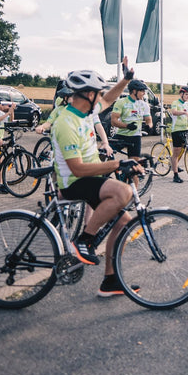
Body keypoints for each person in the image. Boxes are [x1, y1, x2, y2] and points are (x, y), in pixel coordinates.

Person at [50, 66, 142, 296]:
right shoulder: (66, 122)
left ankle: (110, 281)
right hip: (74, 181)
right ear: (89, 95)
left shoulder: (86, 113)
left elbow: (110, 99)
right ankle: (84, 240)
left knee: (123, 223)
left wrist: (126, 80)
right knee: (122, 192)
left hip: (90, 178)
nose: (101, 96)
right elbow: (77, 169)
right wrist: (117, 164)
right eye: (98, 92)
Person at [110, 79, 153, 161]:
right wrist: (127, 126)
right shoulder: (121, 102)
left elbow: (149, 119)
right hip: (121, 135)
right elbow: (113, 121)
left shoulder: (144, 105)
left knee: (133, 166)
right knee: (104, 151)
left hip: (135, 137)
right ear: (134, 91)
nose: (144, 93)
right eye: (142, 91)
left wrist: (149, 126)